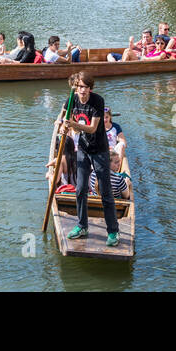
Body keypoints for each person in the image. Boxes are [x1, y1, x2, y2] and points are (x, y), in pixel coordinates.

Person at [58, 72, 119, 247]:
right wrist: (64, 127)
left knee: (105, 193)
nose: (81, 90)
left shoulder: (97, 101)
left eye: (84, 87)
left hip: (99, 150)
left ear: (90, 88)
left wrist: (72, 125)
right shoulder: (71, 100)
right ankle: (82, 226)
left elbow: (92, 129)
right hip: (83, 149)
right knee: (80, 188)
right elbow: (65, 119)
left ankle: (113, 231)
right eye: (78, 87)